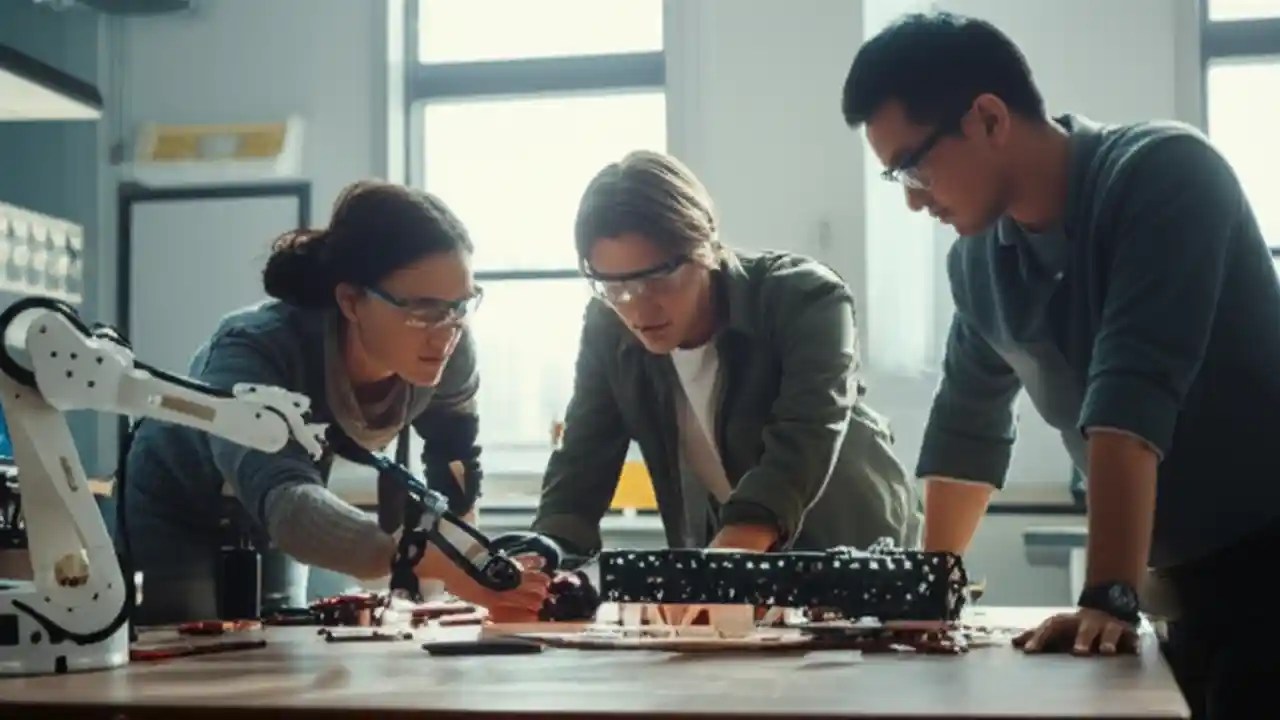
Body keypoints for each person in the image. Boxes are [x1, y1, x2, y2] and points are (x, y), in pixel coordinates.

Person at [841, 11, 1280, 719]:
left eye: (913, 166)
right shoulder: (979, 261)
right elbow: (966, 428)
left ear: (987, 118)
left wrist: (1107, 592)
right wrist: (930, 595)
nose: (914, 199)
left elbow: (1132, 396)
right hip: (1181, 586)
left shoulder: (1165, 173)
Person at [123, 180, 548, 624]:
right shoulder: (255, 349)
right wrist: (415, 558)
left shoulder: (451, 346)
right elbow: (287, 504)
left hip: (284, 507)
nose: (446, 331)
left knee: (282, 641)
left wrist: (478, 563)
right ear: (351, 300)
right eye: (422, 309)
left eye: (460, 305)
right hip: (177, 499)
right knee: (183, 649)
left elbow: (455, 465)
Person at [528, 150, 919, 567]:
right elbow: (583, 460)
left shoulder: (805, 298)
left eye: (659, 279)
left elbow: (805, 435)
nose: (638, 311)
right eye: (614, 287)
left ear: (706, 247)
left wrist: (714, 571)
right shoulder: (609, 327)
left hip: (852, 548)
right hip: (731, 555)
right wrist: (541, 557)